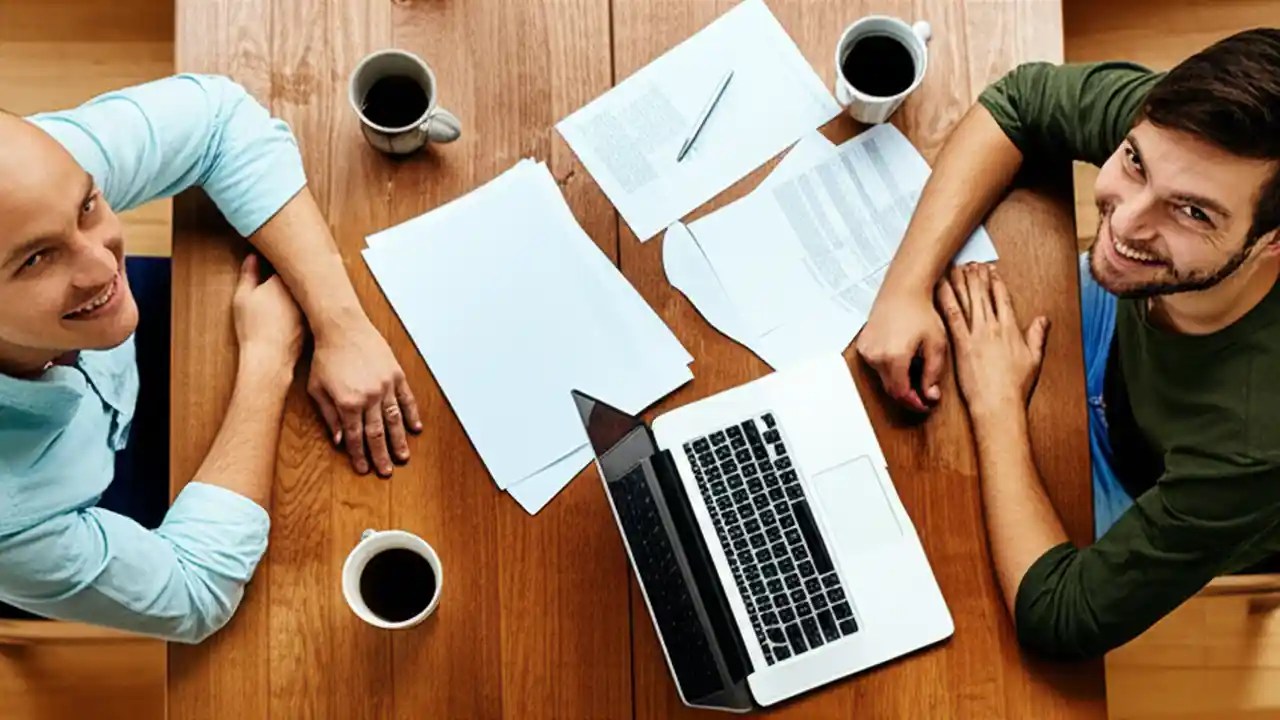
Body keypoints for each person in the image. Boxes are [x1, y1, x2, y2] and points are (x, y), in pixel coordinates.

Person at [855, 29, 1280, 659]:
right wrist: (904, 290)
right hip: (1118, 333)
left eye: (1193, 214)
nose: (1126, 223)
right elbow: (1018, 102)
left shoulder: (1255, 440)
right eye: (1133, 163)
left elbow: (1060, 617)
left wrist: (998, 404)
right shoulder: (1188, 135)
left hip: (1157, 479)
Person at [0, 74, 422, 642]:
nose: (103, 267)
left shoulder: (28, 177)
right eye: (34, 261)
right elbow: (195, 592)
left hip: (141, 346)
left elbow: (219, 121)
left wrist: (341, 324)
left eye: (89, 206)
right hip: (76, 509)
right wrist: (268, 360)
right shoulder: (9, 523)